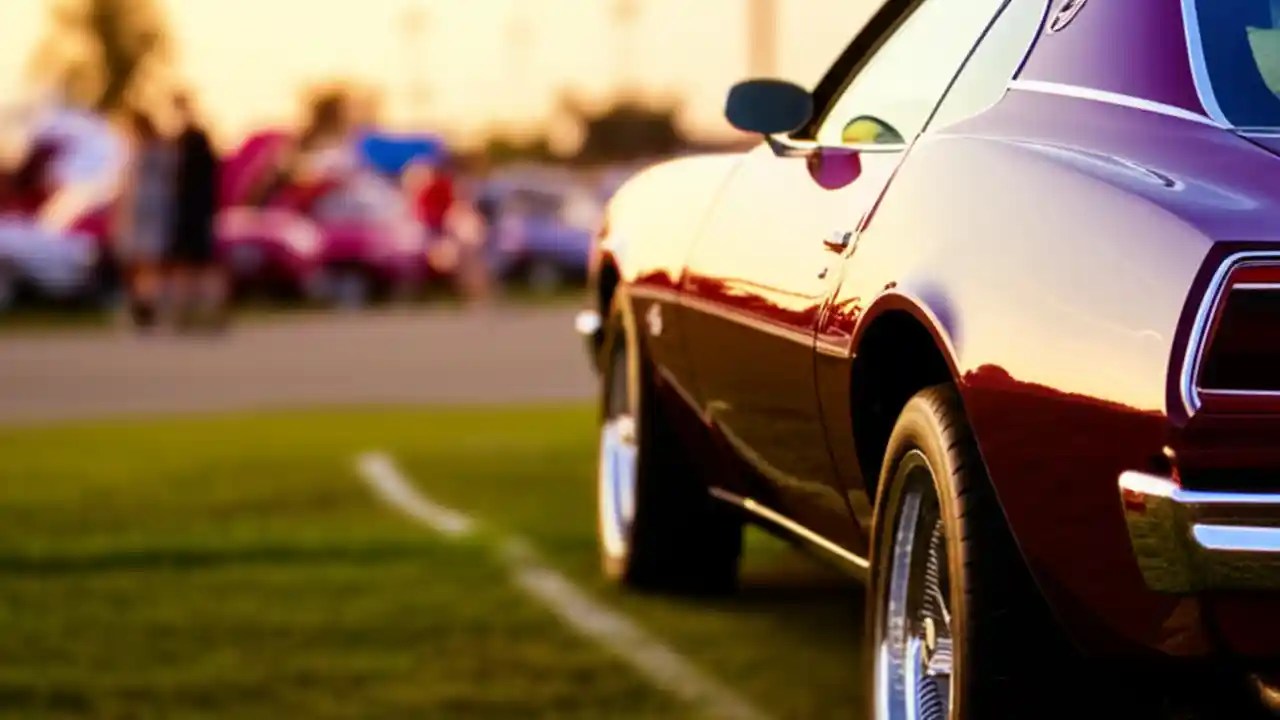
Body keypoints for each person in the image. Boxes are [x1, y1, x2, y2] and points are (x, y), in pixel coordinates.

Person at [113, 111, 174, 330]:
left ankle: (145, 308)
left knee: (142, 263)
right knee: (148, 264)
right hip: (156, 209)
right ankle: (147, 307)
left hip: (142, 211)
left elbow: (127, 185)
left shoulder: (138, 152)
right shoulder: (163, 151)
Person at [168, 94, 223, 329]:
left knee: (189, 263)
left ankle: (188, 311)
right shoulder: (199, 139)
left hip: (189, 209)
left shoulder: (185, 141)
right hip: (201, 209)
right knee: (202, 263)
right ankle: (204, 311)